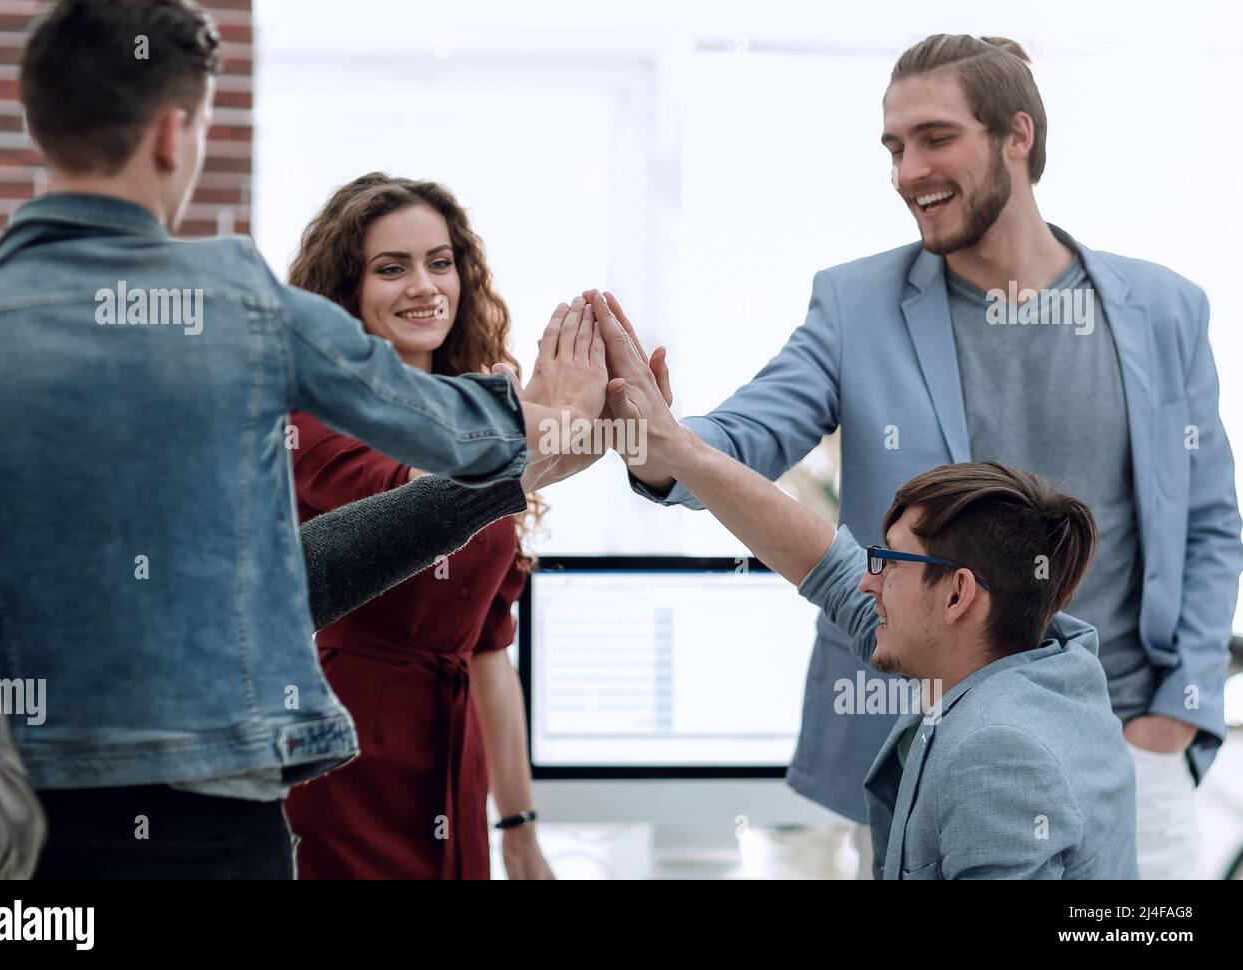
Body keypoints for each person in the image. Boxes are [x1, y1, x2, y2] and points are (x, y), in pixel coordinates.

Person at [0, 0, 606, 879]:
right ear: (176, 135)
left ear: (35, 121)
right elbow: (455, 437)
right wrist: (541, 418)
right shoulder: (240, 307)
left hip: (9, 820)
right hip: (214, 821)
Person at [623, 34, 1243, 878]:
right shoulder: (855, 305)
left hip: (1126, 742)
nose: (907, 170)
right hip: (926, 742)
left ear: (1016, 137)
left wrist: (1177, 713)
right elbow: (750, 435)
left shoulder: (1164, 309)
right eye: (893, 146)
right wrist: (660, 444)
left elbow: (1209, 524)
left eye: (934, 138)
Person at [594, 290, 1138, 878]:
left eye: (889, 564)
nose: (868, 583)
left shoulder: (999, 754)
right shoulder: (1042, 655)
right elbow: (823, 562)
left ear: (958, 595)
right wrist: (679, 449)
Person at [282, 174, 556, 880]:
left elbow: (490, 649)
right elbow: (416, 501)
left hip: (452, 759)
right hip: (343, 758)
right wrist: (528, 432)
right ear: (347, 292)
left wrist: (519, 827)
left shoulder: (487, 421)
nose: (424, 286)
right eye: (391, 268)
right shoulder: (312, 419)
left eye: (440, 262)